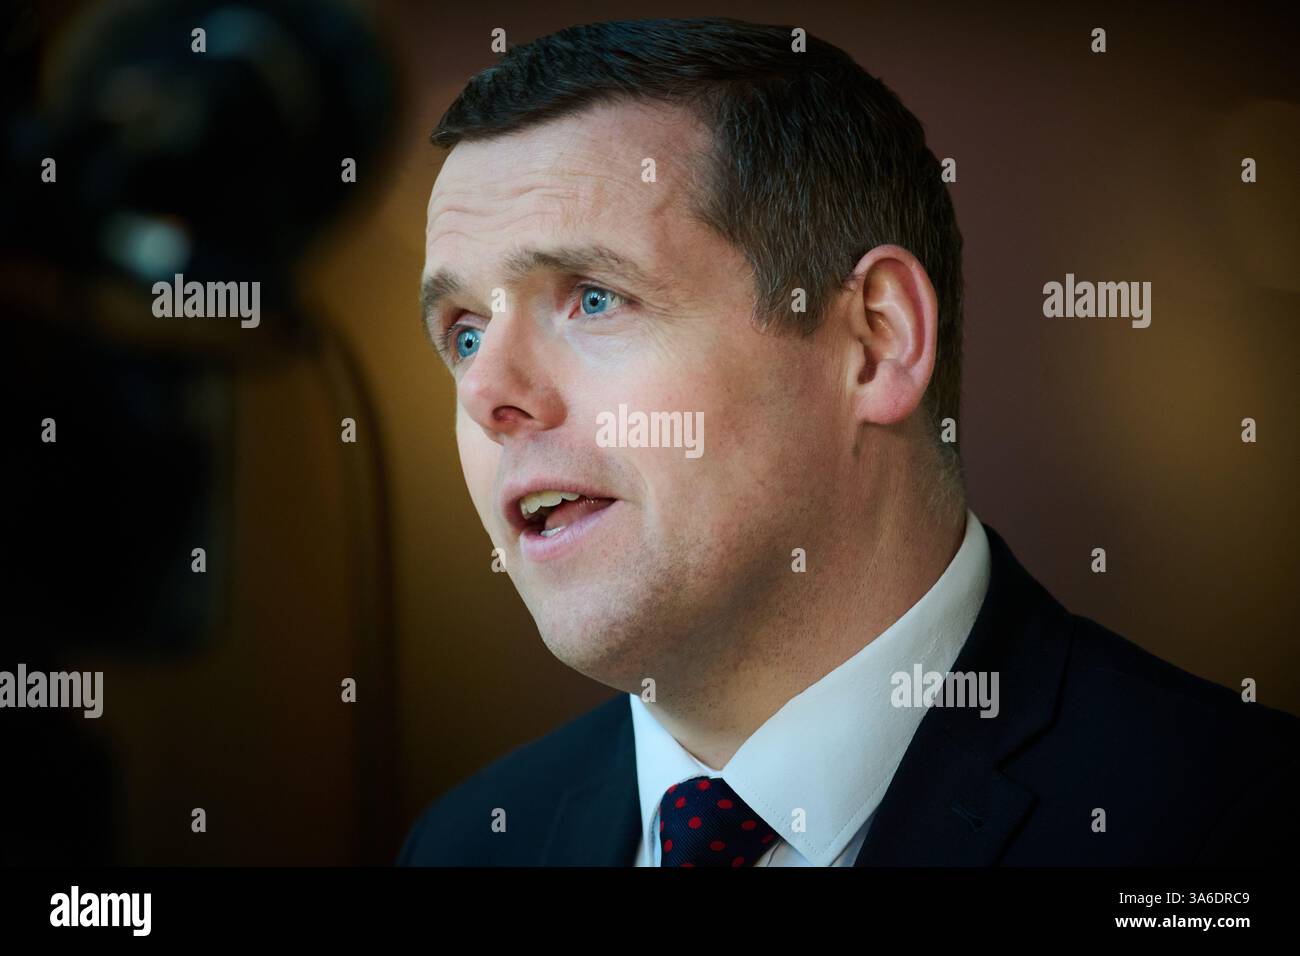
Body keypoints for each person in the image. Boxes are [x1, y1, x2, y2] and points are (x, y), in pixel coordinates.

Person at [398, 18, 1299, 866]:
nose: (484, 393)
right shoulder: (465, 844)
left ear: (874, 342)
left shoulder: (1233, 823)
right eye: (465, 331)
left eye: (594, 297)